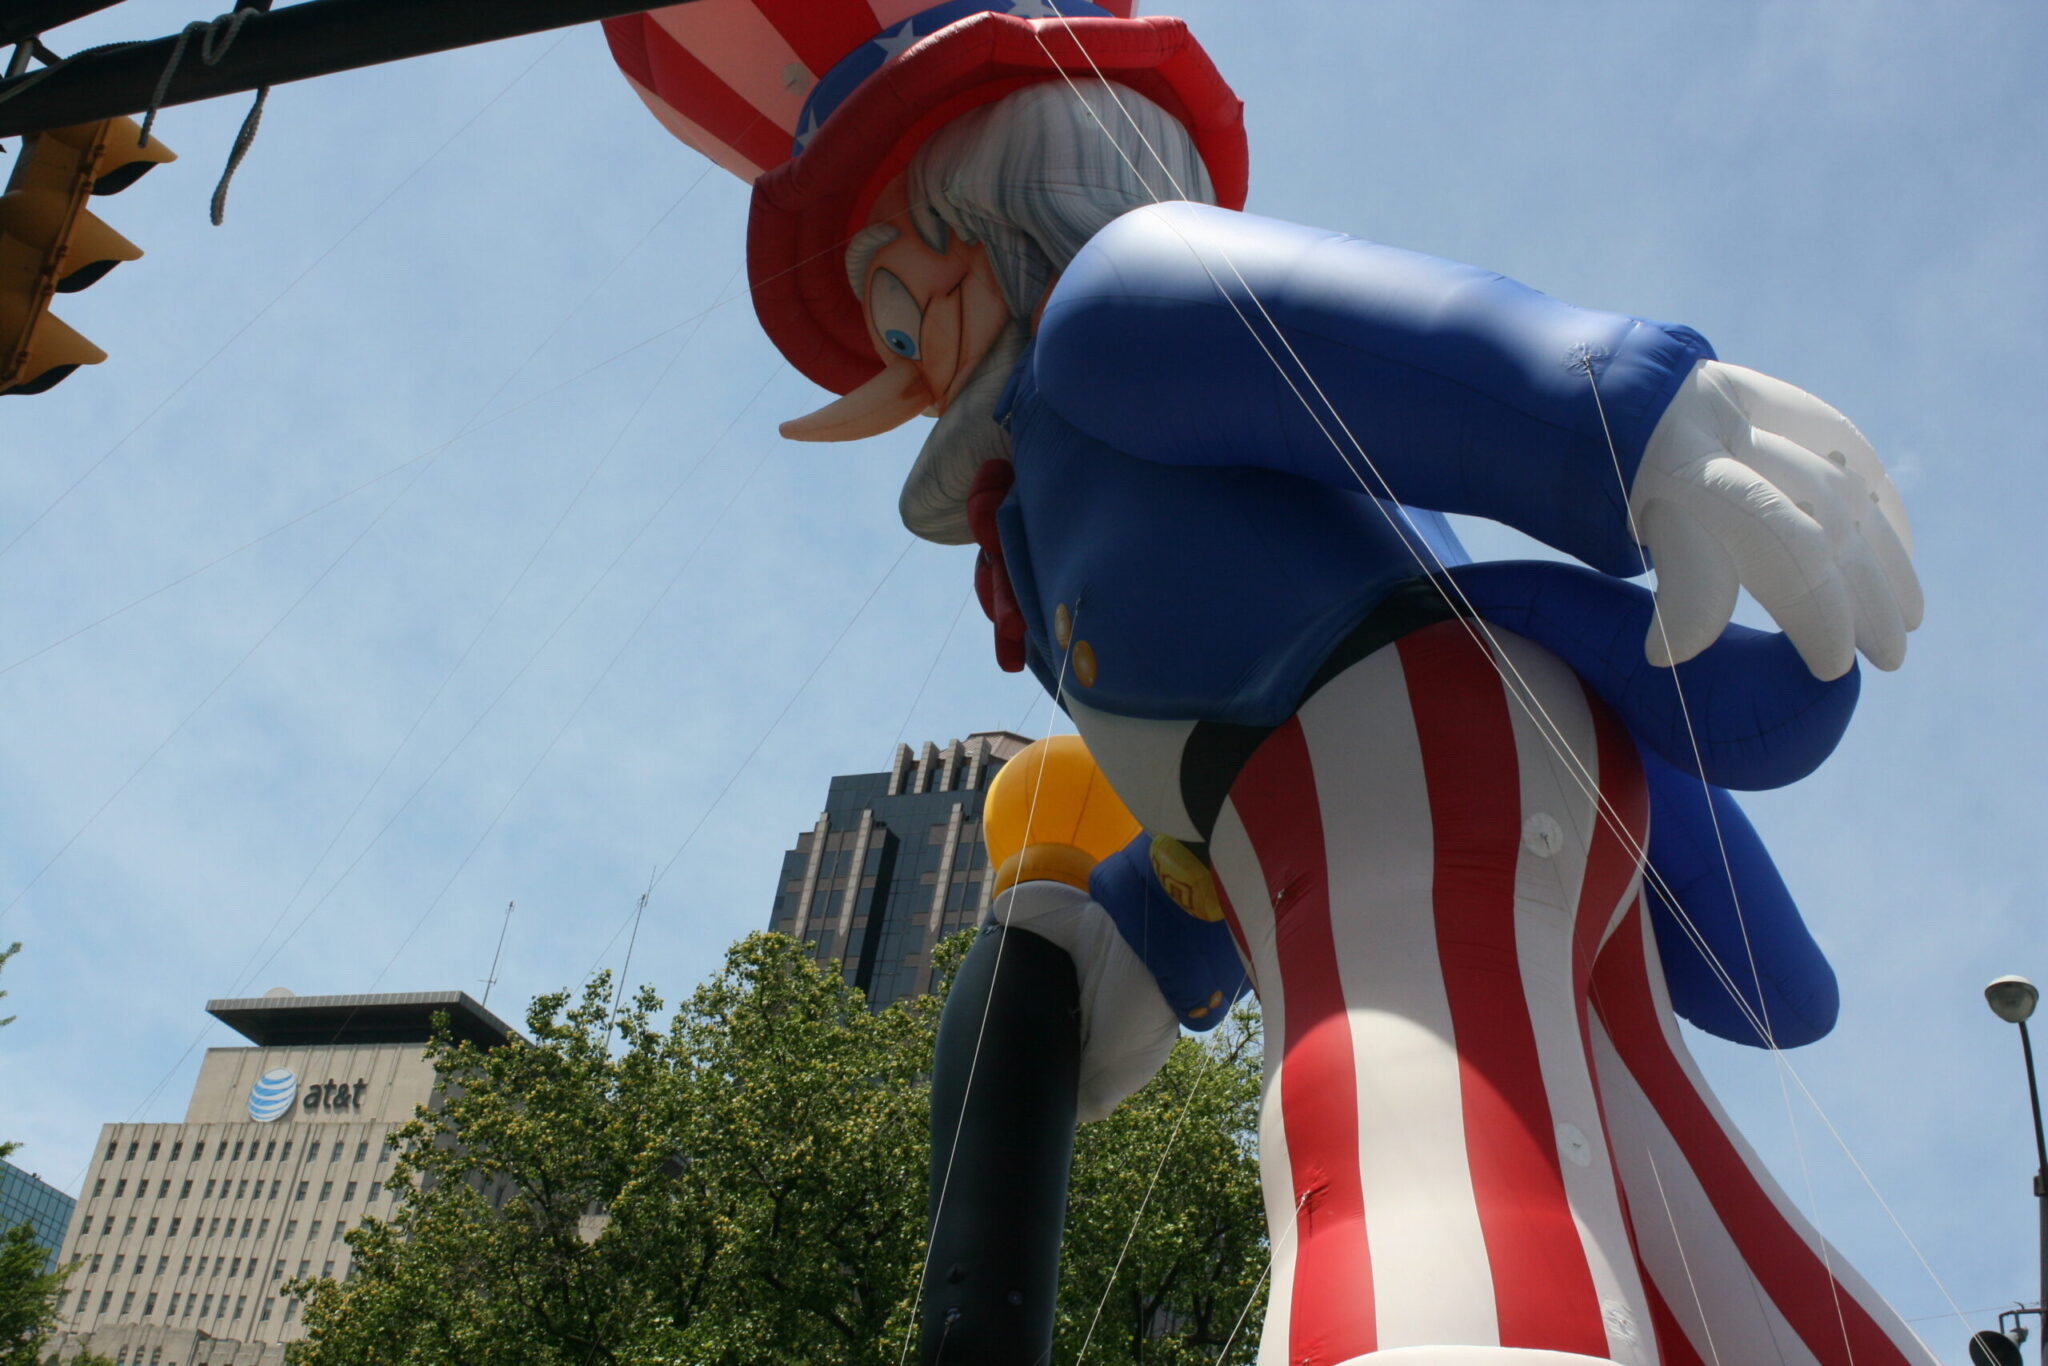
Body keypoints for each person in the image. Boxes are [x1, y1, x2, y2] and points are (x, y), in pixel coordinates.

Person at [605, 7, 1930, 1366]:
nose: (901, 365)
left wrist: (1629, 411)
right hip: (1404, 783)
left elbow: (1347, 341)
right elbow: (1217, 807)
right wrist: (1134, 936)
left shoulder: (1115, 311)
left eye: (896, 300)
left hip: (1382, 768)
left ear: (993, 208)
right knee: (1647, 1153)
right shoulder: (1059, 487)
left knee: (1401, 1090)